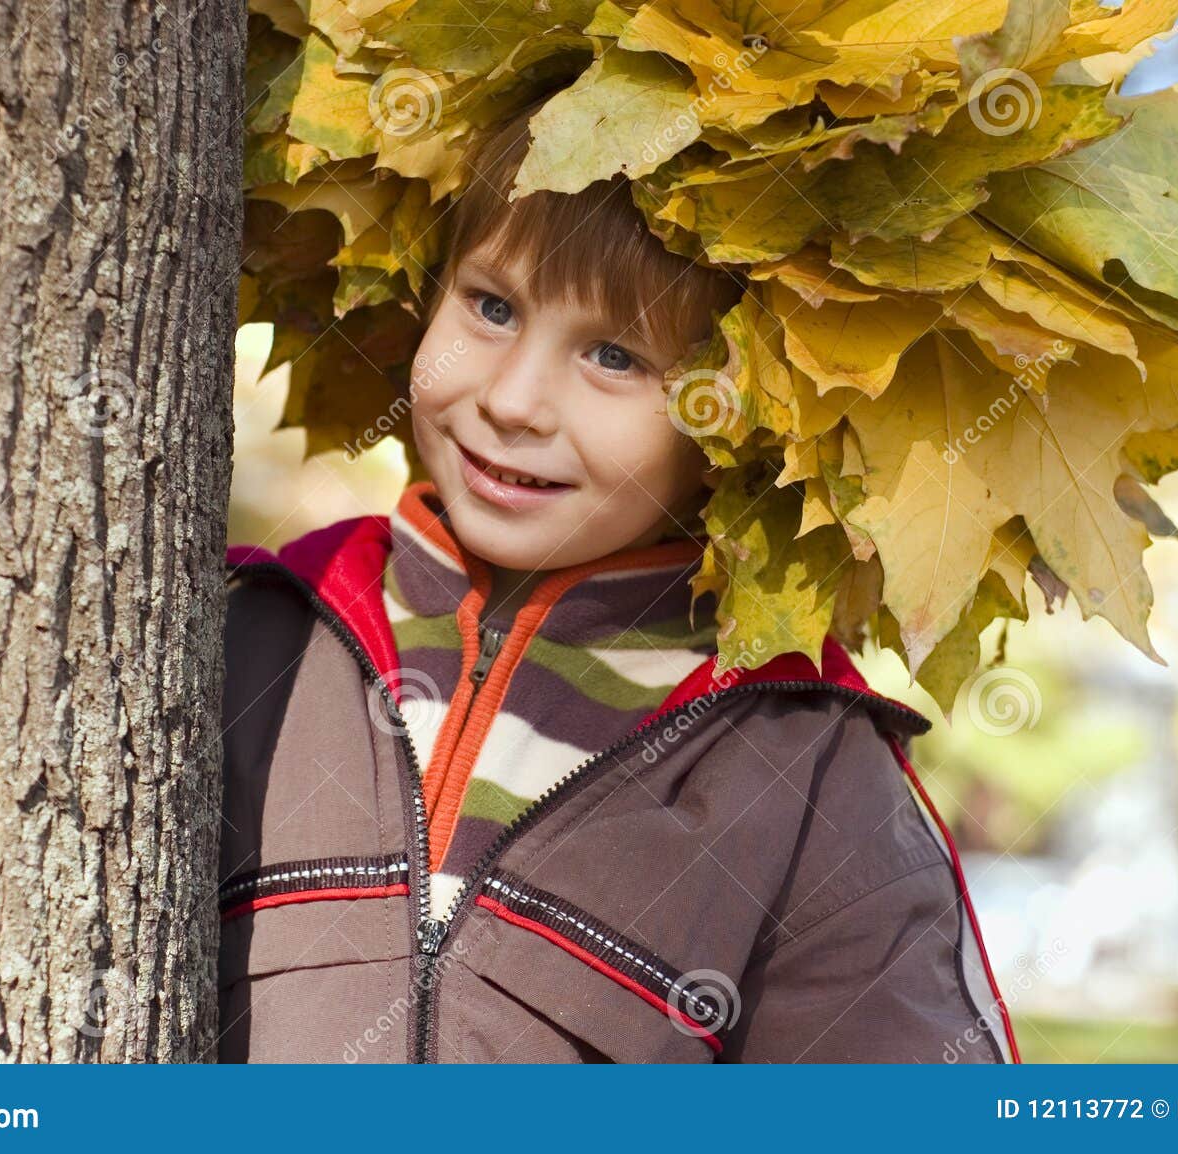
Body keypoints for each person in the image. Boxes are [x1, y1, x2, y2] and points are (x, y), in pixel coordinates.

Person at [216, 104, 1017, 1064]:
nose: (512, 401)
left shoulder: (804, 773)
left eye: (615, 357)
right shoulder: (245, 640)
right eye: (491, 306)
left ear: (749, 422)